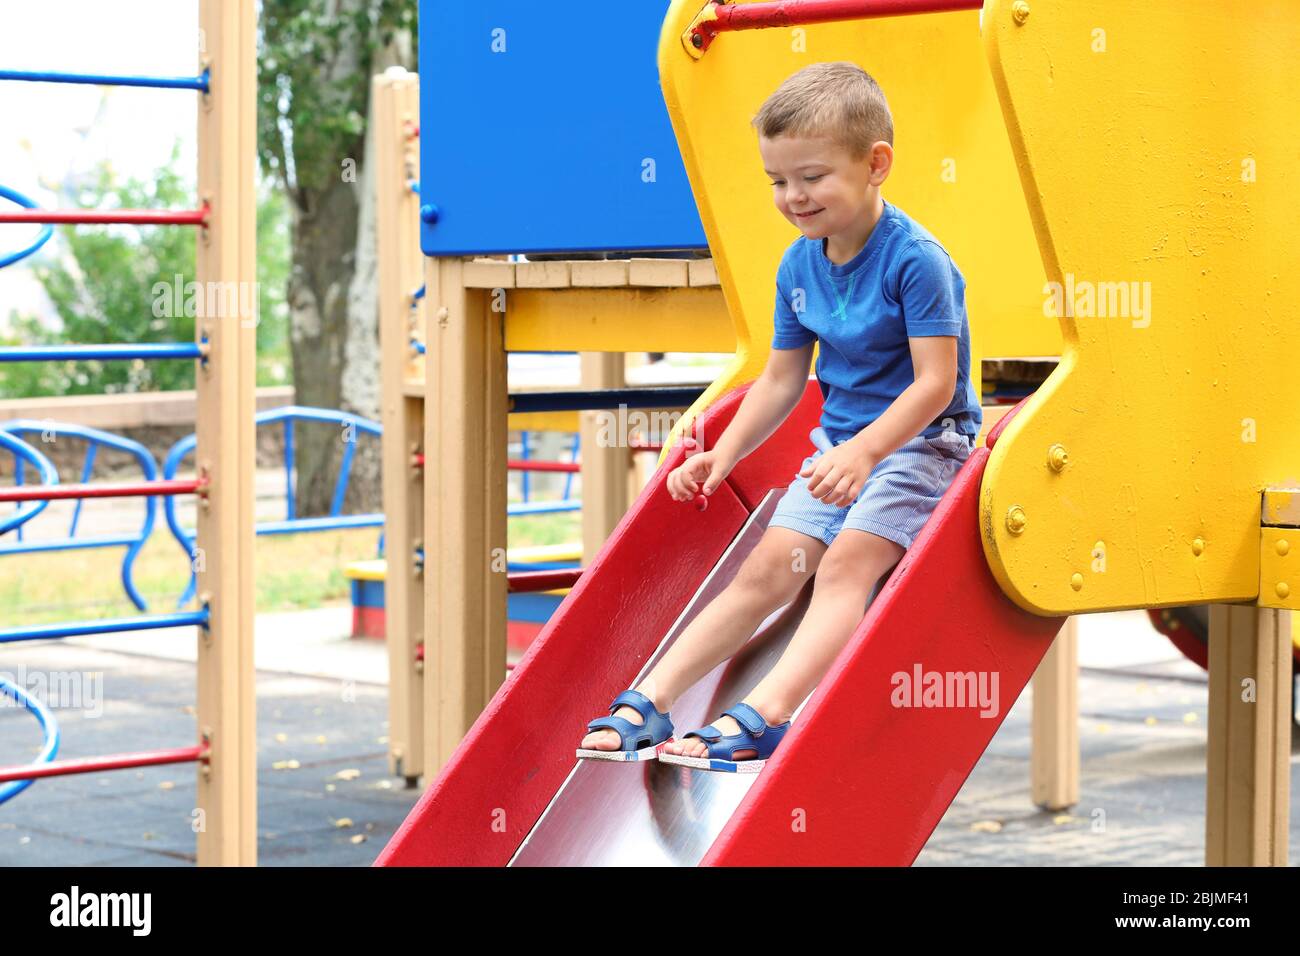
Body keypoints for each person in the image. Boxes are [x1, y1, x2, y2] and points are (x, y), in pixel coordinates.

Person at [579, 61, 982, 770]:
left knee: (845, 565)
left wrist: (862, 455)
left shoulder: (916, 262)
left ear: (875, 163)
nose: (793, 196)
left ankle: (767, 714)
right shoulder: (799, 267)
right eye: (777, 181)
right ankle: (651, 701)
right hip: (841, 450)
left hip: (924, 445)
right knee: (766, 569)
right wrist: (723, 454)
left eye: (813, 177)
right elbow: (779, 380)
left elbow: (934, 384)